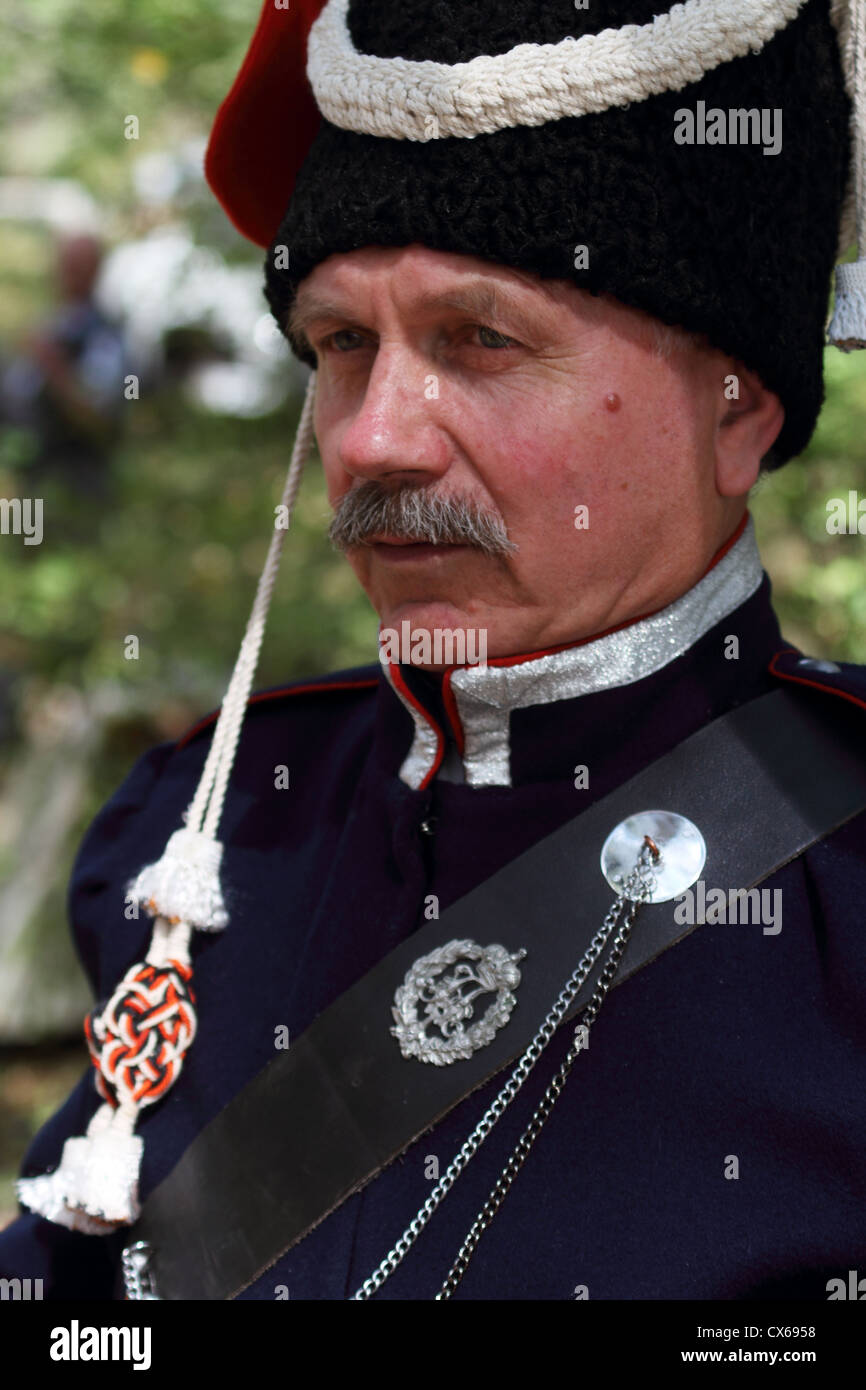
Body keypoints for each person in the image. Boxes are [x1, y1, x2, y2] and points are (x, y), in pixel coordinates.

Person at [1, 0, 865, 1301]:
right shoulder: (201, 829)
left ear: (736, 406)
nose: (372, 441)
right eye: (345, 343)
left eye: (481, 339)